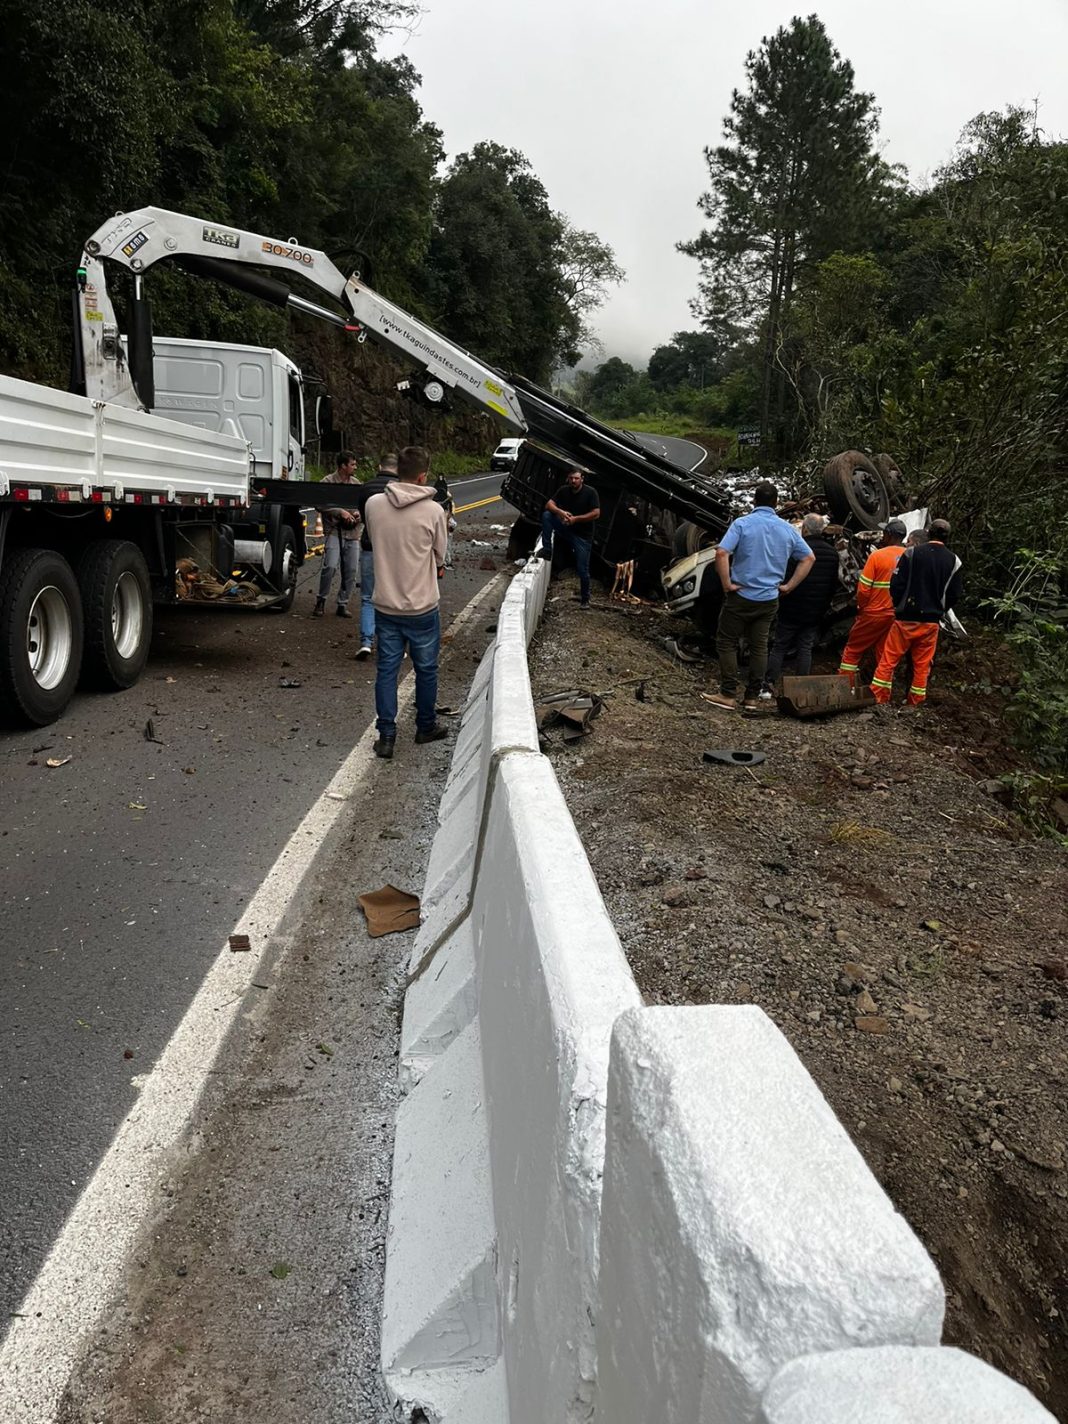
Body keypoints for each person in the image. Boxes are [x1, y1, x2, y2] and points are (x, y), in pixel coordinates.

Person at [363, 446, 449, 759]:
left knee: (387, 670)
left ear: (397, 470)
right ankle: (425, 726)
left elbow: (374, 539)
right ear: (423, 476)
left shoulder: (374, 505)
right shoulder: (434, 511)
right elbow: (440, 555)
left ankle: (386, 736)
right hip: (422, 607)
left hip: (386, 605)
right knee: (426, 669)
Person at [705, 482, 814, 712]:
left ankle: (728, 693)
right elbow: (808, 558)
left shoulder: (742, 524)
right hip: (768, 599)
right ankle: (752, 698)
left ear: (754, 501)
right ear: (776, 503)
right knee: (759, 647)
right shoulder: (787, 530)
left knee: (726, 641)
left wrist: (727, 584)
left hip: (741, 594)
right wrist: (789, 586)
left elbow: (722, 552)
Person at [871, 518, 962, 707]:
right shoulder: (954, 561)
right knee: (922, 666)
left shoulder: (912, 553)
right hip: (931, 622)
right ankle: (915, 706)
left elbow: (896, 584)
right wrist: (939, 609)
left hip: (905, 619)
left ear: (928, 533)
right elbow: (955, 594)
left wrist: (899, 605)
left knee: (888, 660)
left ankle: (878, 699)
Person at [763, 513, 839, 686]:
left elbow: (786, 577)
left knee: (779, 646)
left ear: (804, 529)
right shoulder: (832, 553)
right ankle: (801, 685)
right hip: (815, 611)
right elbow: (832, 585)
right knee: (805, 647)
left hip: (791, 607)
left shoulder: (796, 549)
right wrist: (823, 607)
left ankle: (769, 682)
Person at [837, 519, 908, 686]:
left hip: (873, 613)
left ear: (889, 535)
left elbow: (863, 590)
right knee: (884, 655)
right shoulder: (910, 556)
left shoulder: (877, 556)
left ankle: (845, 688)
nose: (882, 536)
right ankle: (882, 694)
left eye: (884, 533)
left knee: (853, 650)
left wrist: (861, 607)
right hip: (896, 616)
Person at [352, 452, 398, 659]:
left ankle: (366, 642)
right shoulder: (401, 488)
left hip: (370, 545)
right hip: (394, 550)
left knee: (368, 598)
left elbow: (364, 516)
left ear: (380, 466)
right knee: (392, 598)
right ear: (398, 468)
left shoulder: (367, 488)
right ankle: (391, 644)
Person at [540, 469, 601, 608]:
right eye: (571, 478)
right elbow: (549, 504)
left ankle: (585, 599)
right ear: (568, 478)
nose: (573, 481)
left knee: (582, 569)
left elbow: (596, 513)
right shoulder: (564, 490)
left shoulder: (590, 492)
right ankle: (547, 550)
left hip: (582, 536)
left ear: (582, 479)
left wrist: (576, 519)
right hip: (566, 528)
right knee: (547, 515)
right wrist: (561, 513)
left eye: (576, 478)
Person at [312, 451, 360, 618]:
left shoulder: (356, 484)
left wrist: (357, 514)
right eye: (352, 464)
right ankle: (321, 600)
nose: (355, 467)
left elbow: (360, 504)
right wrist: (339, 512)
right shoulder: (327, 482)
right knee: (330, 566)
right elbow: (319, 504)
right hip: (333, 531)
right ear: (343, 466)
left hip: (352, 533)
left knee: (351, 570)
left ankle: (343, 603)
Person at [433, 474, 456, 569]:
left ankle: (441, 561)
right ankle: (446, 561)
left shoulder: (433, 495)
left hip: (437, 521)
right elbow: (451, 511)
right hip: (443, 521)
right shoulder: (448, 496)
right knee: (446, 542)